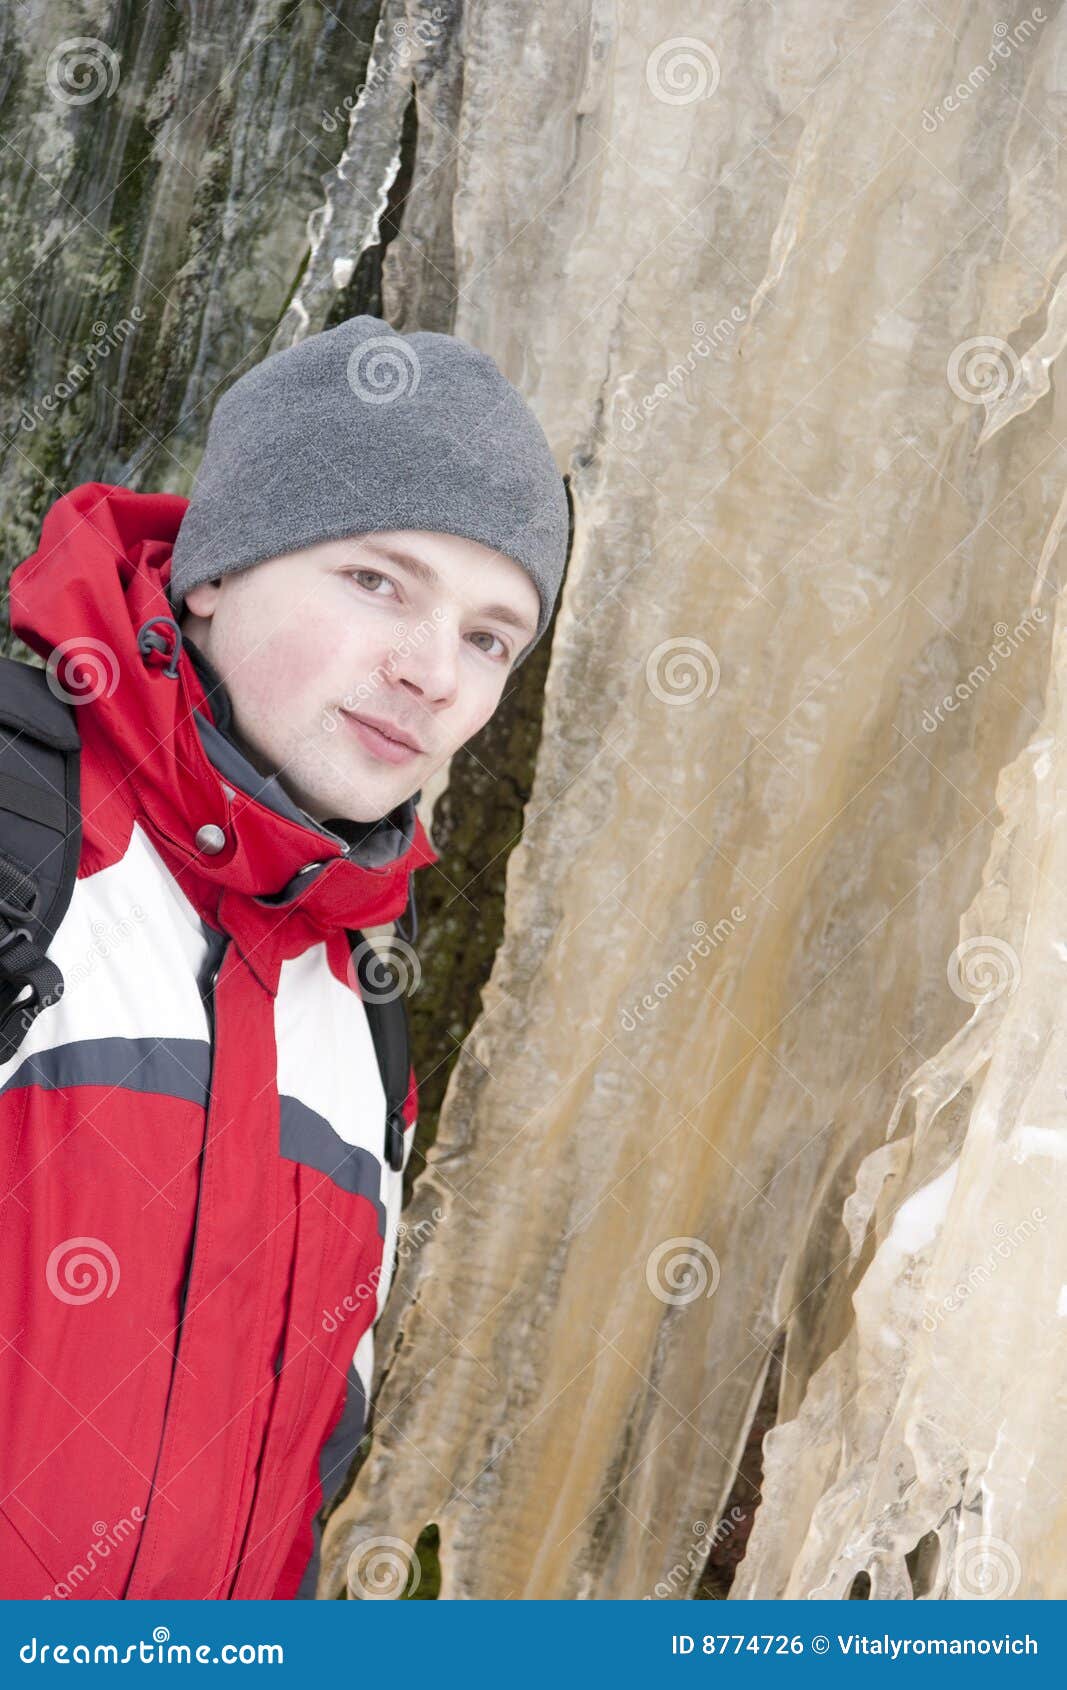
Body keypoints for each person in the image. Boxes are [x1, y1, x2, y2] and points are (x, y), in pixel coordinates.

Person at [0, 314, 569, 1599]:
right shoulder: (23, 847)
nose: (430, 673)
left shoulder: (359, 995)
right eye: (378, 581)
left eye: (489, 637)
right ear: (215, 568)